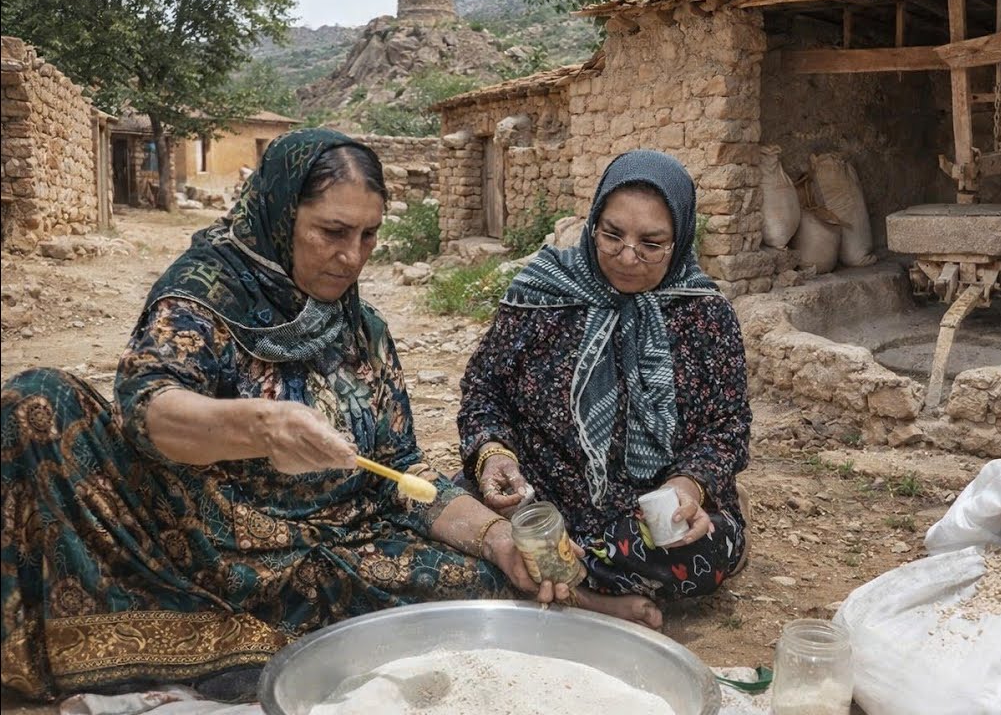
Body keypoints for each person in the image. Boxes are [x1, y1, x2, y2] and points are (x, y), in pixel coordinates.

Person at [0, 129, 563, 702]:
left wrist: (495, 538)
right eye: (332, 232)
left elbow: (402, 472)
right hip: (194, 538)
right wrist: (262, 426)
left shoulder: (361, 329)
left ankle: (252, 650)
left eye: (369, 235)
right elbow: (151, 410)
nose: (352, 256)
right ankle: (195, 639)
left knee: (490, 591)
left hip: (326, 554)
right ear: (281, 213)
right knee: (38, 401)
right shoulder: (204, 294)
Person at [457, 150, 752, 630]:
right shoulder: (542, 291)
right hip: (542, 496)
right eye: (611, 234)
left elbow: (727, 426)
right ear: (592, 222)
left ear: (679, 241)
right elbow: (483, 389)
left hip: (642, 513)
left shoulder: (705, 315)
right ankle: (593, 599)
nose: (627, 255)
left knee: (702, 550)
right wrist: (493, 456)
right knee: (459, 516)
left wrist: (687, 486)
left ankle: (555, 579)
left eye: (652, 243)